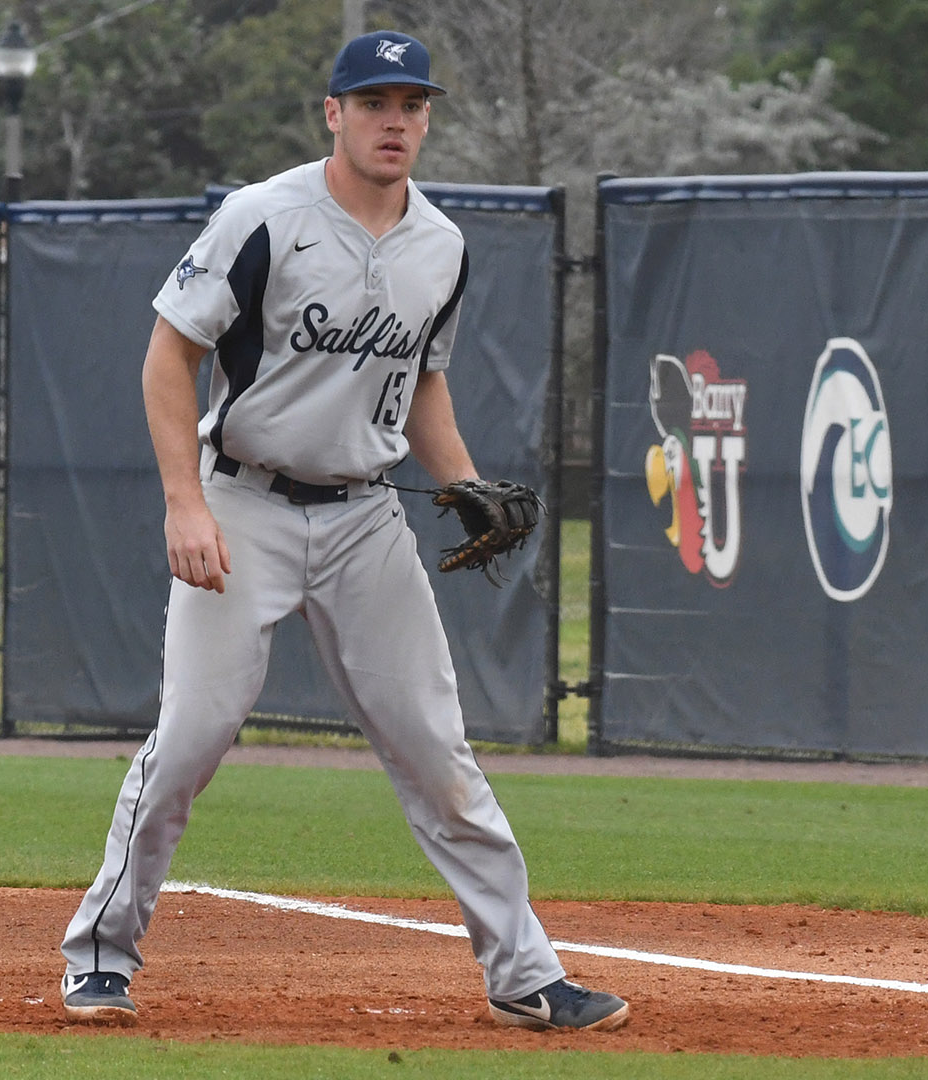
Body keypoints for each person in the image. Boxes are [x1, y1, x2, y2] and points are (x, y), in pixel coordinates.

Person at [57, 29, 629, 1034]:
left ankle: (524, 974)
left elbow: (422, 383)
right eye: (373, 103)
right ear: (334, 113)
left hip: (367, 517)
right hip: (243, 503)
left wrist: (462, 483)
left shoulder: (441, 246)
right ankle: (100, 955)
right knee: (189, 738)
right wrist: (184, 503)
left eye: (411, 105)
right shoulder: (263, 217)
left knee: (438, 752)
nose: (394, 121)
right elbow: (167, 356)